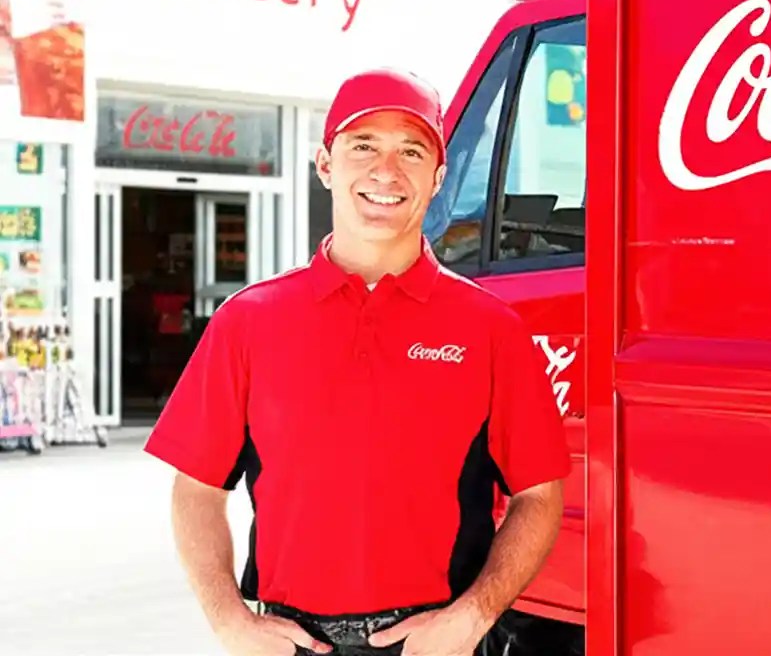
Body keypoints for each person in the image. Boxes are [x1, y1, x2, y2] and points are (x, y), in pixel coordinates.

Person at [143, 67, 571, 656]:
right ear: (325, 165)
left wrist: (472, 617)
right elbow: (196, 490)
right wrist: (229, 620)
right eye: (363, 146)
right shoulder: (249, 320)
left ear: (438, 177)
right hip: (292, 642)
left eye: (411, 151)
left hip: (435, 644)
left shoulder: (490, 328)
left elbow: (539, 496)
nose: (386, 171)